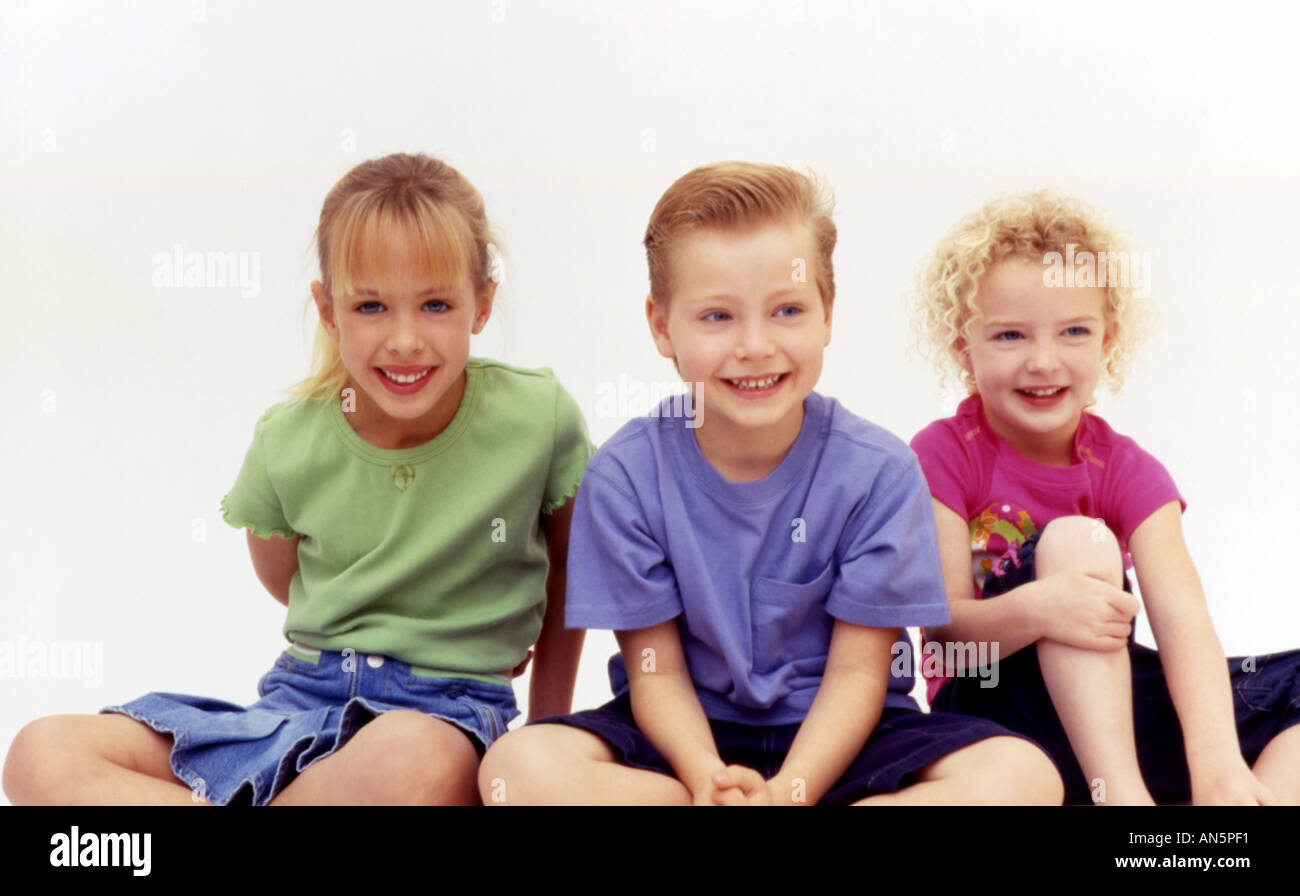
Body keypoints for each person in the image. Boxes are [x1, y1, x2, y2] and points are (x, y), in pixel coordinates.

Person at [2, 153, 591, 806]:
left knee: (406, 760)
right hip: (299, 702)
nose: (404, 339)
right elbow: (288, 577)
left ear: (482, 303)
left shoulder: (537, 421)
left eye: (435, 304)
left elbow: (575, 566)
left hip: (446, 717)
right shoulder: (289, 440)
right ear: (329, 311)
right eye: (370, 305)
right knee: (39, 755)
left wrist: (546, 726)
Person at [477, 162, 1063, 805]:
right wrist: (704, 776)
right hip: (681, 741)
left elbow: (856, 672)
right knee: (516, 767)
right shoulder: (625, 476)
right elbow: (658, 670)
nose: (755, 346)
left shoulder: (879, 472)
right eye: (717, 317)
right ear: (661, 326)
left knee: (1022, 775)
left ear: (827, 316)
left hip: (852, 735)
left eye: (786, 310)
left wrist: (792, 791)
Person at [910, 190, 1300, 805]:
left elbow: (1183, 622)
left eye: (1073, 332)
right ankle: (1122, 803)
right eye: (1010, 335)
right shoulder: (942, 455)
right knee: (1076, 540)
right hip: (998, 715)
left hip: (1107, 710)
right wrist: (1040, 609)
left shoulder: (1126, 467)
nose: (1043, 361)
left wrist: (1219, 763)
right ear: (965, 349)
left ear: (1105, 341)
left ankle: (1229, 822)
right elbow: (944, 639)